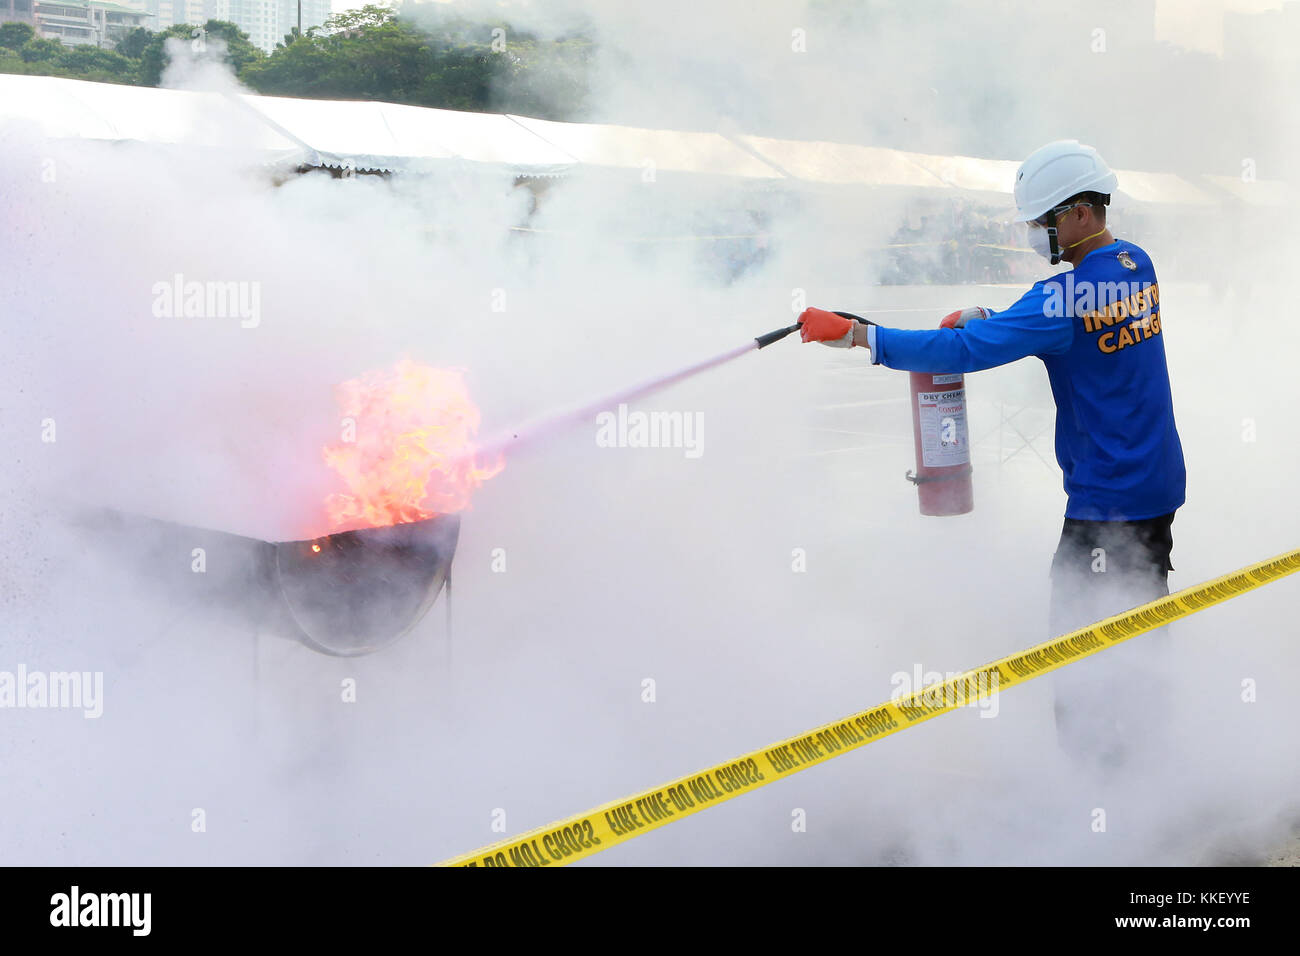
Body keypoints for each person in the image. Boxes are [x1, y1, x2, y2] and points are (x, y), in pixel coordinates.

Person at [797, 140, 1186, 771]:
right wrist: (989, 315)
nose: (1039, 235)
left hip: (1106, 499)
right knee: (1142, 619)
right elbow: (1063, 318)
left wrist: (857, 335)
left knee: (1078, 645)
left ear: (1082, 213)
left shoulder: (1060, 298)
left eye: (1046, 222)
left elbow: (964, 353)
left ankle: (1100, 786)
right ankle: (1157, 765)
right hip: (1158, 483)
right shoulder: (1136, 263)